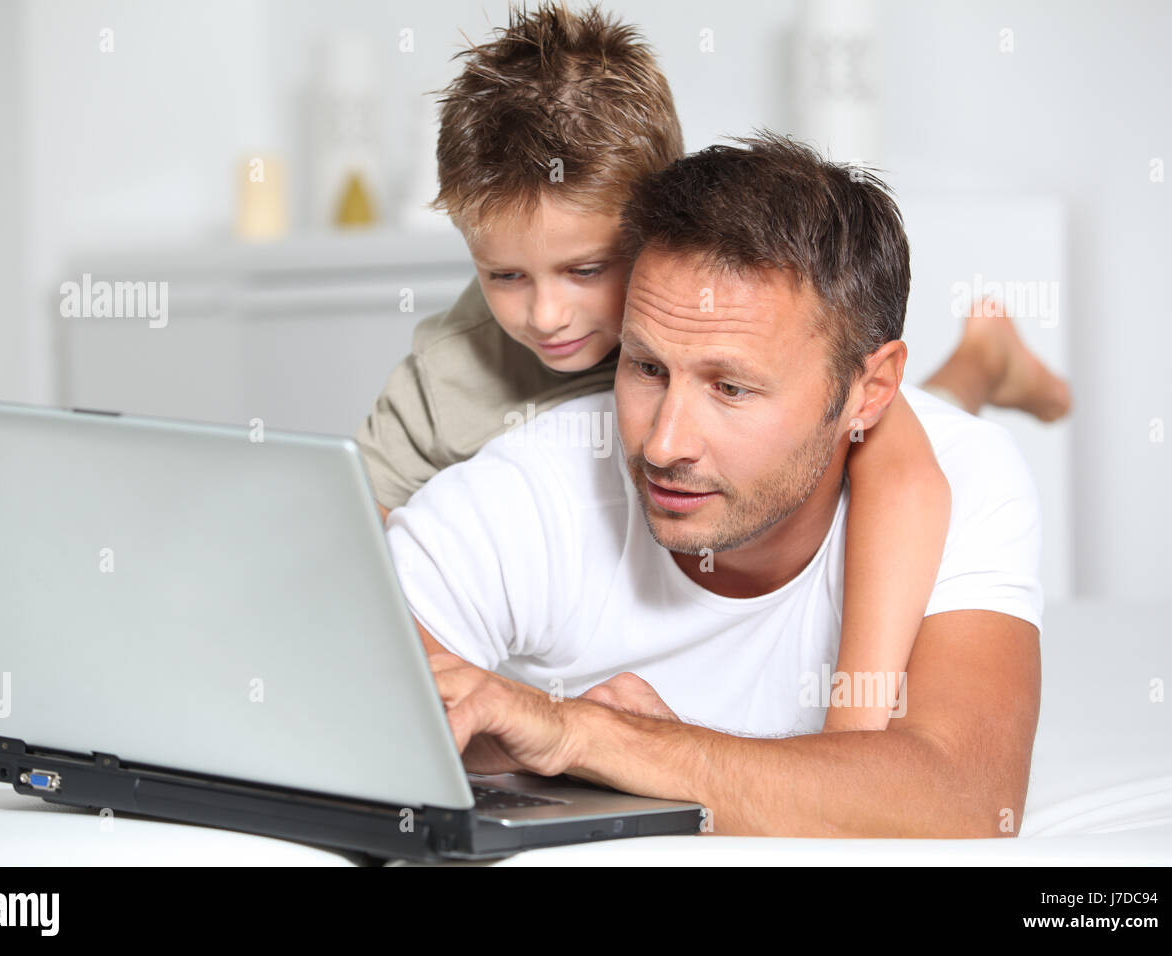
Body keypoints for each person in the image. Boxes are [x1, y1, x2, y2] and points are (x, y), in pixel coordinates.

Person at [356, 3, 1068, 733]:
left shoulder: (700, 310)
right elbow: (354, 541)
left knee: (903, 425)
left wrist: (852, 733)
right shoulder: (449, 376)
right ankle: (978, 360)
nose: (547, 316)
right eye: (504, 276)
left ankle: (982, 360)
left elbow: (907, 480)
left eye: (587, 269)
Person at [386, 131, 1047, 837]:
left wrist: (590, 736)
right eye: (646, 368)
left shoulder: (967, 472)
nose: (663, 445)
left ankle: (983, 359)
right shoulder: (536, 484)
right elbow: (332, 704)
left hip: (888, 428)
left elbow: (969, 799)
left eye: (730, 388)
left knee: (940, 409)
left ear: (873, 386)